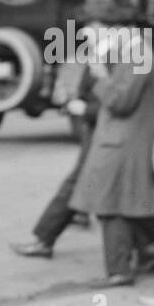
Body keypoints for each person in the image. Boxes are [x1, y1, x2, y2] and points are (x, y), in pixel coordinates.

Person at [68, 32, 154, 286]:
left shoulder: (138, 58)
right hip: (124, 142)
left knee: (111, 204)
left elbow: (120, 101)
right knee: (132, 201)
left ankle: (120, 270)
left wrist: (100, 77)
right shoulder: (135, 56)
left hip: (121, 143)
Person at [10, 66, 99, 258]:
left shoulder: (112, 54)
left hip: (103, 135)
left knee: (75, 184)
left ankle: (45, 239)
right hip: (95, 131)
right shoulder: (101, 52)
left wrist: (84, 107)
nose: (86, 33)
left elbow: (113, 99)